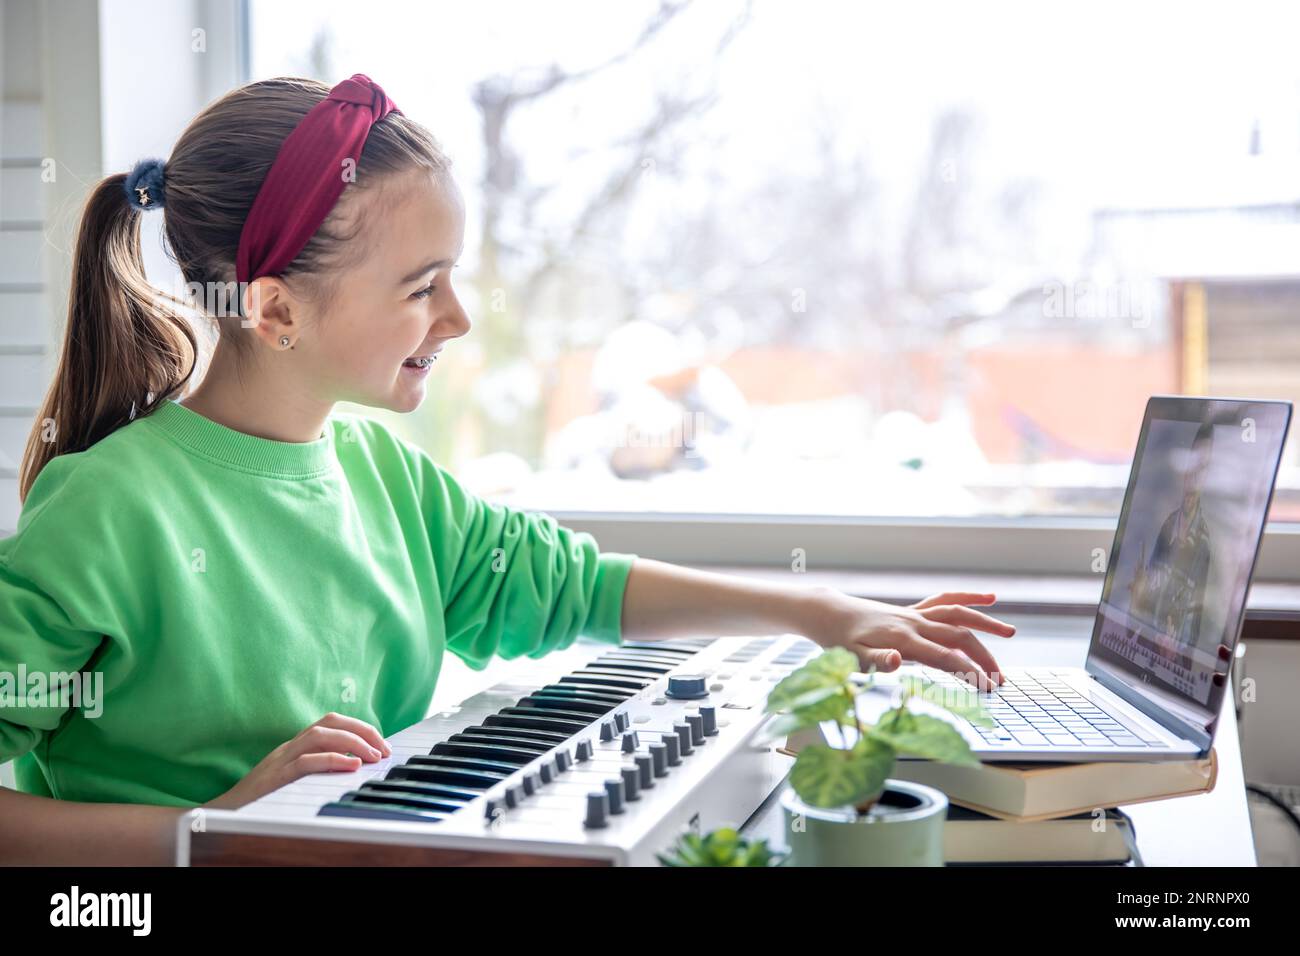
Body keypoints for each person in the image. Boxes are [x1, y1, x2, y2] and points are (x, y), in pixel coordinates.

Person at [0, 75, 1014, 865]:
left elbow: (574, 583)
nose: (457, 319)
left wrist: (822, 613)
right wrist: (203, 829)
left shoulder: (385, 478)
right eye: (420, 287)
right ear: (273, 311)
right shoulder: (107, 509)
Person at [1130, 422, 1214, 663]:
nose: (1194, 475)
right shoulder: (1164, 526)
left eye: (1203, 467)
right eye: (1190, 464)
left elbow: (1199, 623)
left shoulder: (1205, 545)